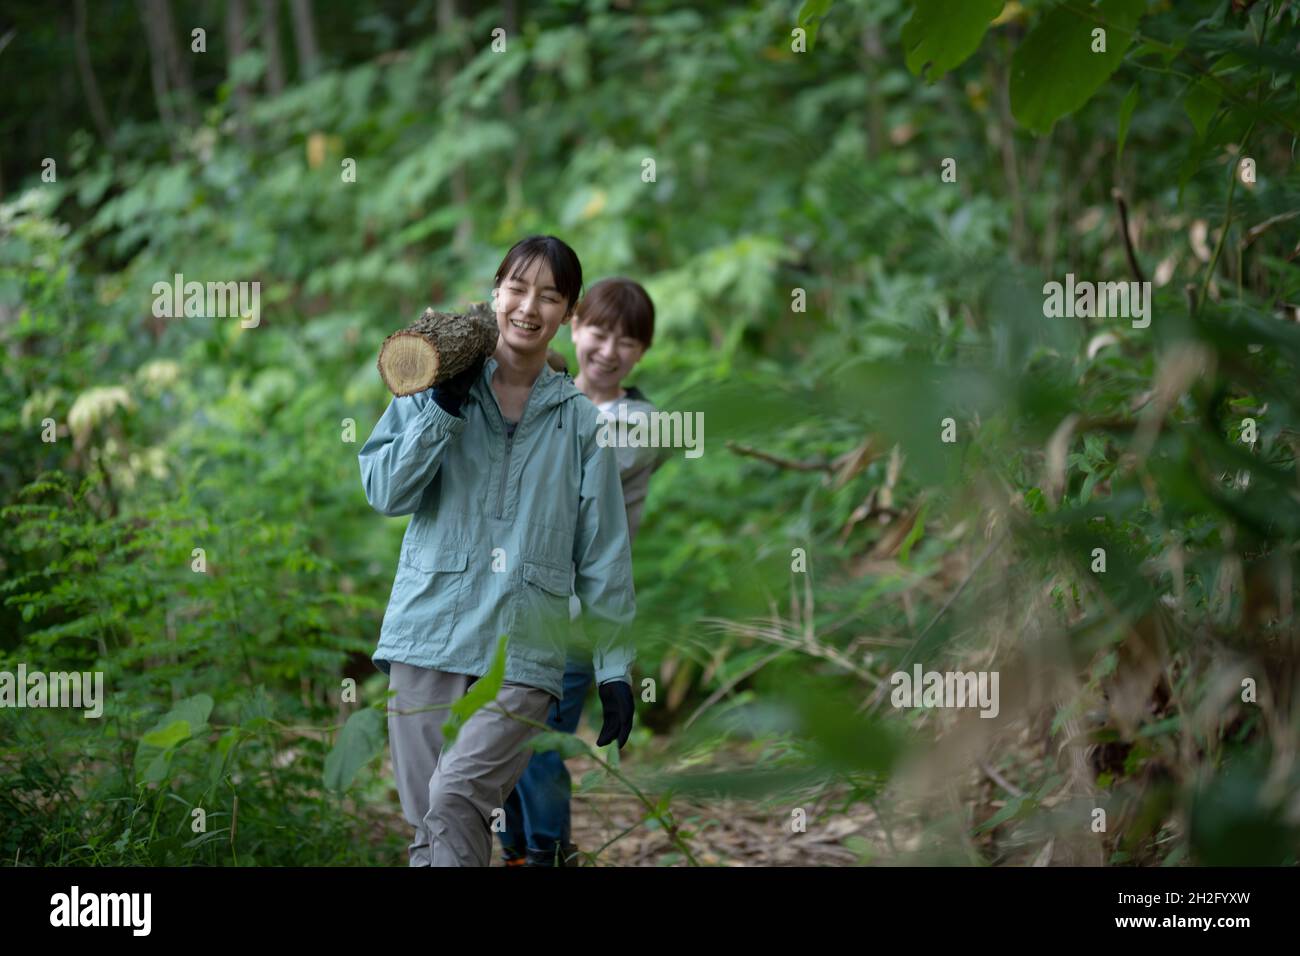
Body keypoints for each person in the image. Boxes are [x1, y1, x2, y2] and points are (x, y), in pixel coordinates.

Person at [358, 236, 637, 867]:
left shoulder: (581, 424)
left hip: (523, 649)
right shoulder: (432, 378)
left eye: (549, 296)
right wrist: (440, 412)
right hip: (426, 632)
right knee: (430, 820)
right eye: (517, 288)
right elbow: (384, 491)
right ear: (495, 293)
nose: (528, 307)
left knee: (455, 795)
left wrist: (614, 668)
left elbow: (604, 558)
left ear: (567, 314)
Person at [499, 277, 665, 867]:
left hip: (573, 616)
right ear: (573, 325)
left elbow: (562, 480)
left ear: (641, 352)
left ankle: (549, 855)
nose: (610, 349)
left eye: (628, 340)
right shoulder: (549, 394)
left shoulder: (639, 422)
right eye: (599, 331)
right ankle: (515, 851)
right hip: (511, 606)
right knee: (501, 737)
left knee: (536, 741)